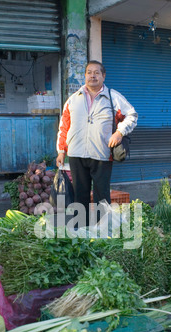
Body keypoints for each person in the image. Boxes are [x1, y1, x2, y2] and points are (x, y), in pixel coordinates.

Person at [56, 60, 138, 227]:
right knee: (80, 195)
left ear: (103, 76)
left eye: (96, 72)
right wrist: (61, 151)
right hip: (76, 154)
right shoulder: (73, 99)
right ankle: (81, 230)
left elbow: (132, 115)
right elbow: (64, 125)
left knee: (102, 196)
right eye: (89, 72)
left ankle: (103, 230)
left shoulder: (113, 97)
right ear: (85, 75)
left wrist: (119, 132)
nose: (92, 75)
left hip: (102, 154)